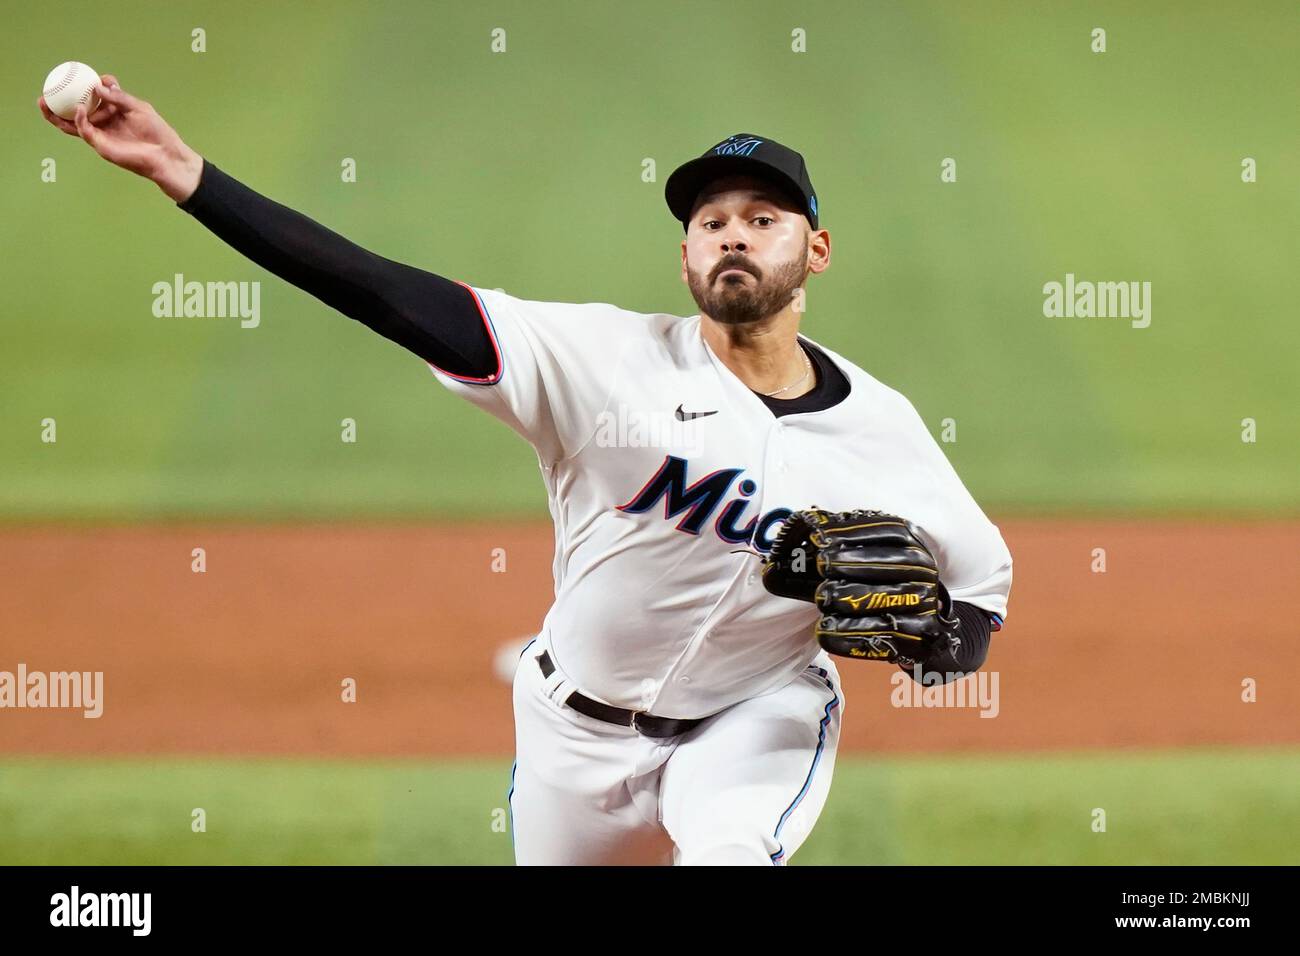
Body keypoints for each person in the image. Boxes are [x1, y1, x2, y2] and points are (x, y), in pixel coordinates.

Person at [41, 82, 1012, 865]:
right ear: (683, 256)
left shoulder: (884, 430)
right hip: (571, 728)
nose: (733, 233)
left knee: (728, 851)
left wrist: (931, 642)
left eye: (763, 217)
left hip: (754, 719)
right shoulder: (602, 361)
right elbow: (384, 291)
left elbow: (973, 604)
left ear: (816, 248)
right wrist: (183, 172)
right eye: (711, 220)